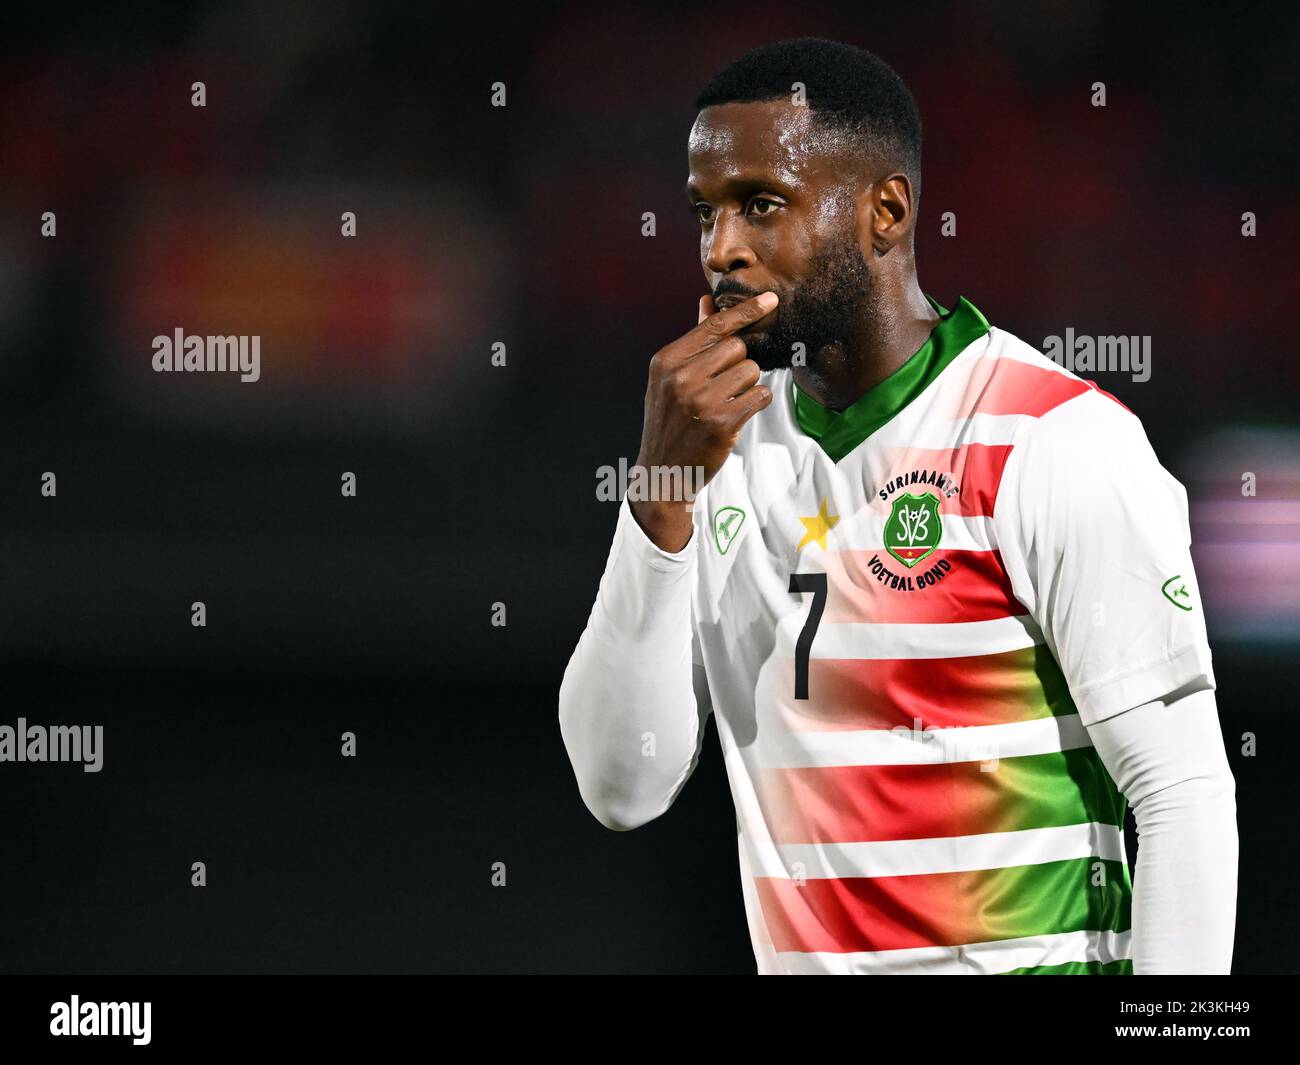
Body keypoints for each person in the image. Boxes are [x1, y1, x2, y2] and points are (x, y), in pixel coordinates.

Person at [558, 37, 1237, 975]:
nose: (722, 249)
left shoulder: (1051, 438)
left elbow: (1182, 789)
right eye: (703, 213)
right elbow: (618, 783)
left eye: (761, 204)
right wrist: (659, 498)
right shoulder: (716, 454)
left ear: (885, 212)